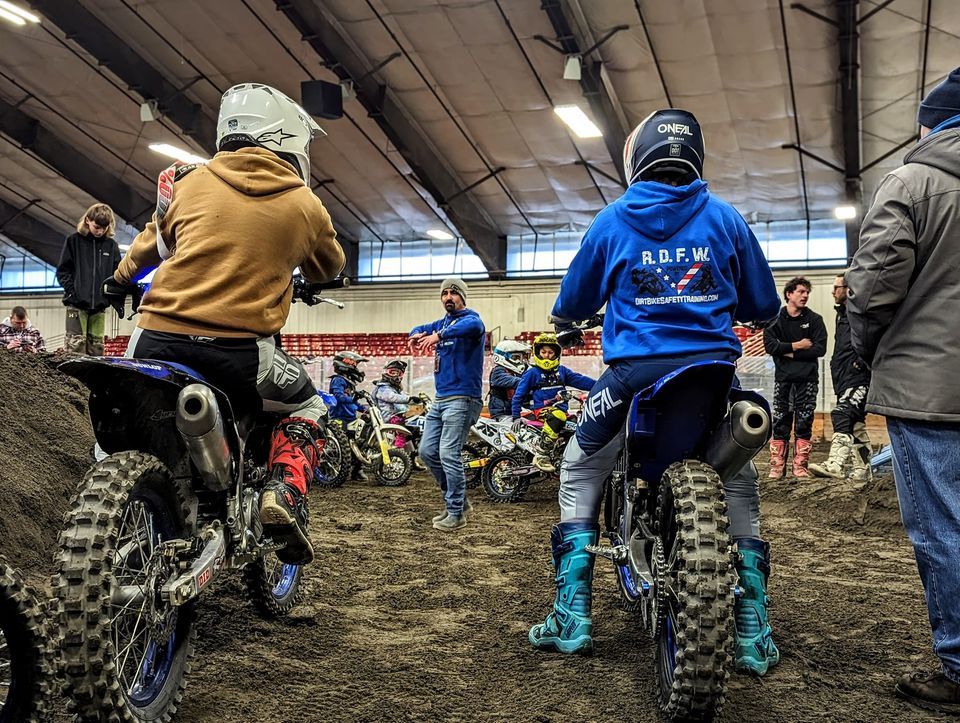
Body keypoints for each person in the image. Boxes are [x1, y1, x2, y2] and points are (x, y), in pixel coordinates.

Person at [528, 109, 782, 677]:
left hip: (631, 378)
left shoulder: (612, 220)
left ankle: (572, 614)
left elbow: (571, 304)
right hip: (712, 377)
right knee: (736, 479)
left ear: (637, 157)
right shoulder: (725, 218)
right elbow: (763, 305)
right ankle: (751, 627)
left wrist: (582, 314)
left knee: (578, 464)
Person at [103, 83, 345, 566]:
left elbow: (150, 245)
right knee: (311, 407)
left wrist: (118, 279)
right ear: (286, 138)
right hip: (239, 356)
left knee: (120, 428)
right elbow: (329, 268)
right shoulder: (305, 204)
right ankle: (283, 492)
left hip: (154, 339)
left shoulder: (186, 182)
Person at [846, 67, 960, 714]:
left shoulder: (913, 181)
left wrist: (867, 355)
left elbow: (871, 289)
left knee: (946, 529)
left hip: (931, 385)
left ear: (933, 120)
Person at [409, 277, 485, 531]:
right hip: (441, 399)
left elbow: (471, 326)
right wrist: (415, 334)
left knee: (448, 453)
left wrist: (438, 335)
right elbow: (419, 326)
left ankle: (455, 512)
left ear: (462, 296)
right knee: (427, 452)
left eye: (453, 293)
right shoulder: (441, 322)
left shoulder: (471, 320)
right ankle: (460, 501)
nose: (448, 298)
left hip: (463, 398)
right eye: (444, 294)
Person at [762, 277, 827, 478]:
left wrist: (787, 351)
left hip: (807, 380)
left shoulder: (815, 320)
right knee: (780, 421)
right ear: (789, 294)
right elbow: (770, 346)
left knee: (804, 422)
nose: (805, 295)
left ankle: (800, 466)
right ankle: (777, 466)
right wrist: (798, 345)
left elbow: (819, 348)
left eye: (807, 292)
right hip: (783, 380)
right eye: (801, 291)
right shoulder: (775, 321)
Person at [809, 273, 872, 480]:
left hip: (859, 376)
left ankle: (836, 464)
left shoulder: (860, 312)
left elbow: (870, 338)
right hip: (843, 378)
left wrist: (862, 364)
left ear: (848, 288)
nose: (833, 291)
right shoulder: (841, 314)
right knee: (856, 425)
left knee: (842, 414)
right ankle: (863, 471)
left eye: (837, 287)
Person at [511, 333, 594, 472]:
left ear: (556, 353)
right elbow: (518, 396)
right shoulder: (532, 373)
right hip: (542, 411)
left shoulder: (562, 371)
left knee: (578, 425)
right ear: (537, 352)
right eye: (543, 352)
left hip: (562, 412)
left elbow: (581, 380)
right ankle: (541, 454)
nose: (547, 355)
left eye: (550, 352)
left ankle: (564, 457)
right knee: (558, 416)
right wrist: (515, 416)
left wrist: (603, 385)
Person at [56, 203, 122, 355]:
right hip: (76, 306)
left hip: (99, 308)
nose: (100, 231)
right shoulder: (73, 241)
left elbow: (117, 274)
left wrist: (111, 297)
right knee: (76, 347)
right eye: (97, 227)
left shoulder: (111, 246)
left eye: (104, 228)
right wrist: (72, 293)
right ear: (87, 221)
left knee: (97, 349)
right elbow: (63, 271)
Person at [328, 350, 369, 481]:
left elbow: (353, 402)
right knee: (341, 446)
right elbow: (339, 397)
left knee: (361, 442)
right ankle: (331, 468)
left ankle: (357, 470)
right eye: (355, 365)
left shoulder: (349, 383)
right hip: (339, 419)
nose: (356, 368)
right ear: (347, 364)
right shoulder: (338, 380)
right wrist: (353, 399)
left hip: (351, 418)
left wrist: (363, 408)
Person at [488, 339, 530, 420]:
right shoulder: (497, 372)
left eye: (523, 358)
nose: (521, 361)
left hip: (514, 411)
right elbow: (515, 382)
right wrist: (530, 381)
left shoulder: (516, 373)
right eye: (516, 357)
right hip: (500, 414)